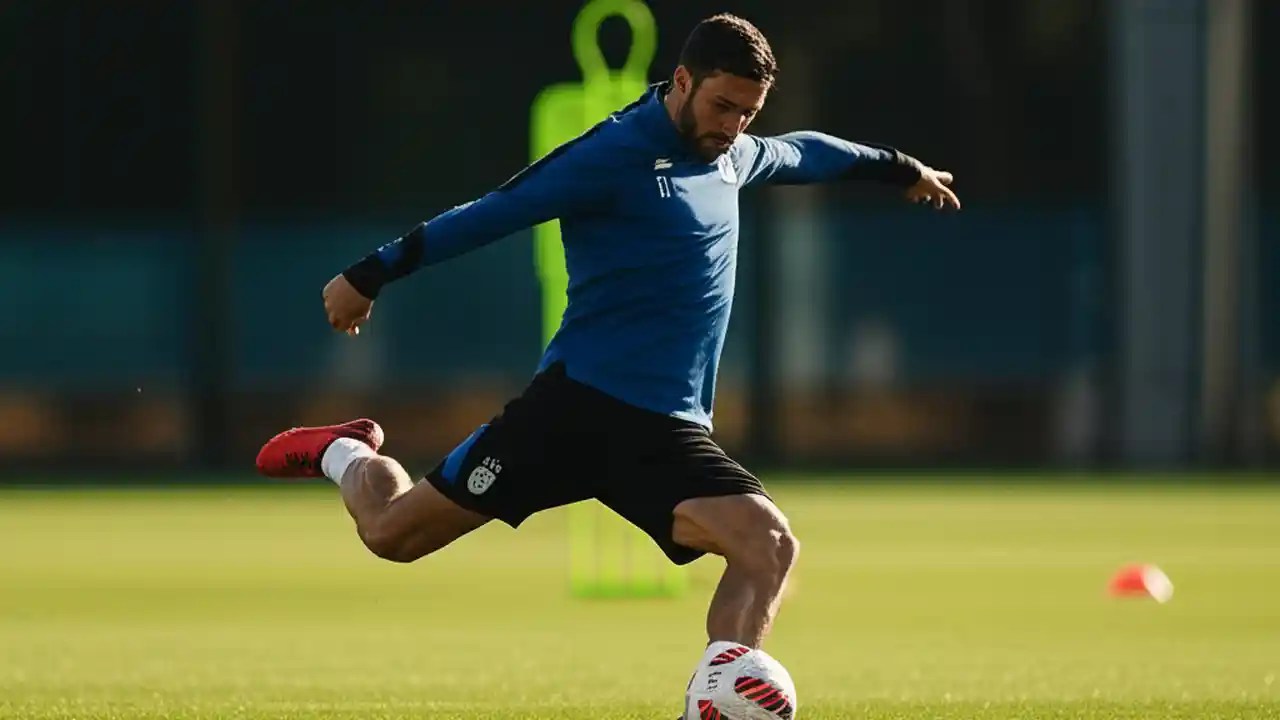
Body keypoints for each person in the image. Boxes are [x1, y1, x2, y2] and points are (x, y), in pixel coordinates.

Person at [256, 9, 958, 686]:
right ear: (681, 81)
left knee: (768, 546)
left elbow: (805, 151)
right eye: (722, 106)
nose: (734, 125)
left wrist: (898, 167)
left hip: (667, 431)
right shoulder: (611, 154)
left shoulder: (732, 155)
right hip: (574, 411)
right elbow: (493, 213)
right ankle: (343, 452)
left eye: (748, 112)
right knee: (390, 536)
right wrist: (370, 273)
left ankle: (714, 705)